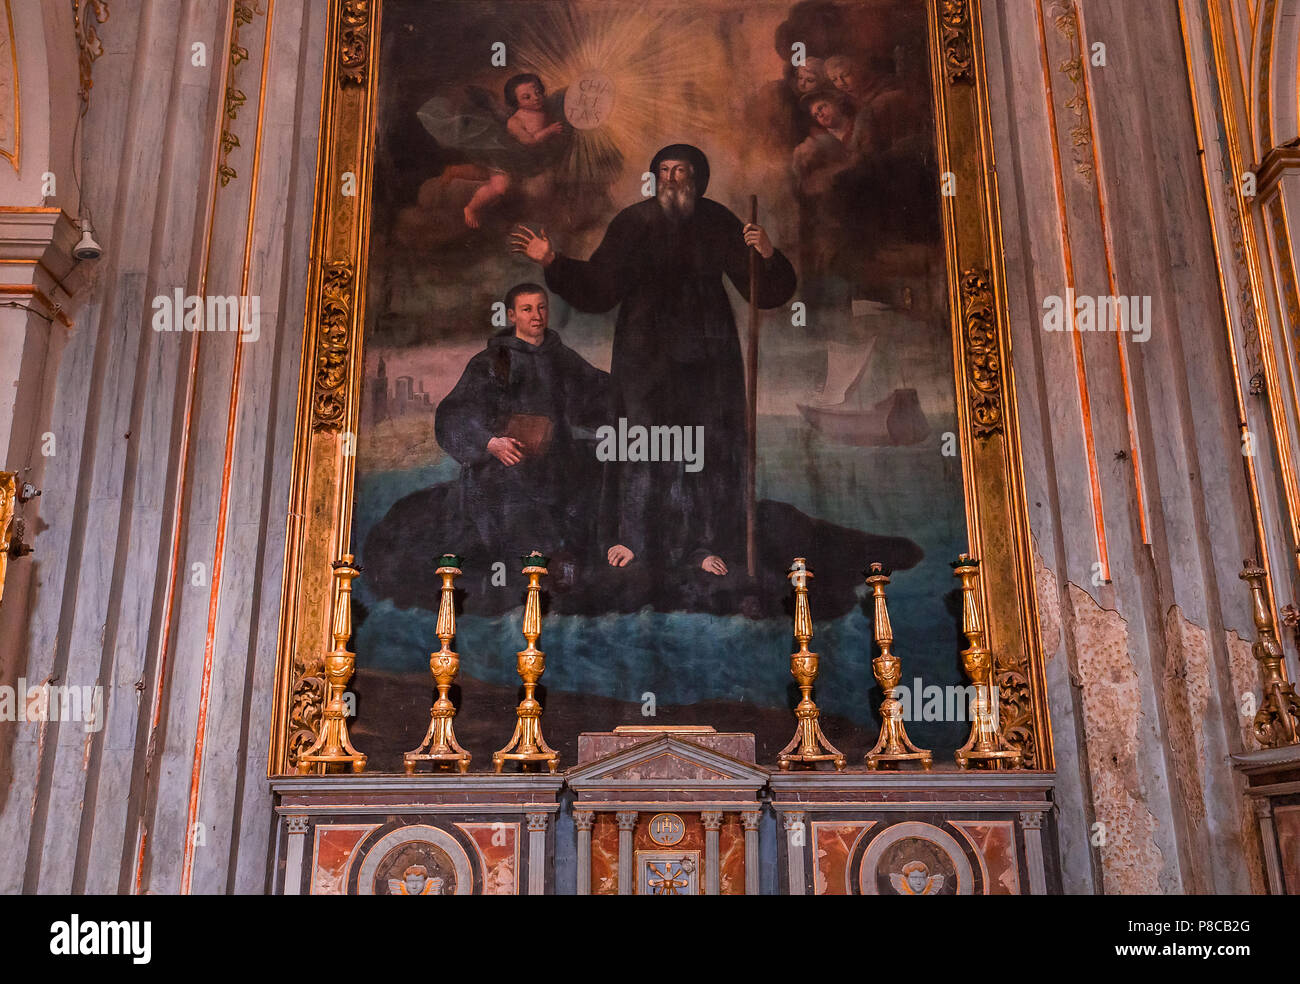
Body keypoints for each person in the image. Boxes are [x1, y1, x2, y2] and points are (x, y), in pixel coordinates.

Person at [511, 144, 796, 579]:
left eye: (680, 170)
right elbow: (601, 287)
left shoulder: (718, 220)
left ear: (697, 178)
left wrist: (769, 254)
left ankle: (703, 545)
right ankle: (633, 538)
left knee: (705, 446)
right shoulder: (633, 222)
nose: (671, 178)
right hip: (644, 353)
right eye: (663, 170)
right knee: (640, 442)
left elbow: (762, 291)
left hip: (708, 353)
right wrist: (552, 260)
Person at [434, 283, 609, 568]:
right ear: (512, 316)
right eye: (527, 309)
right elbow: (453, 414)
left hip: (557, 470)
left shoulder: (562, 358)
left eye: (542, 308)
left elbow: (600, 392)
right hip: (508, 472)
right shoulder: (492, 361)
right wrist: (490, 442)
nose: (536, 315)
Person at [461, 74, 567, 228]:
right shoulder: (515, 121)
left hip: (526, 159)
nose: (535, 98)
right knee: (499, 188)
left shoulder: (545, 109)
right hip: (503, 157)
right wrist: (549, 131)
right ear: (516, 102)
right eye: (527, 97)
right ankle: (471, 208)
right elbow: (529, 141)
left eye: (537, 92)